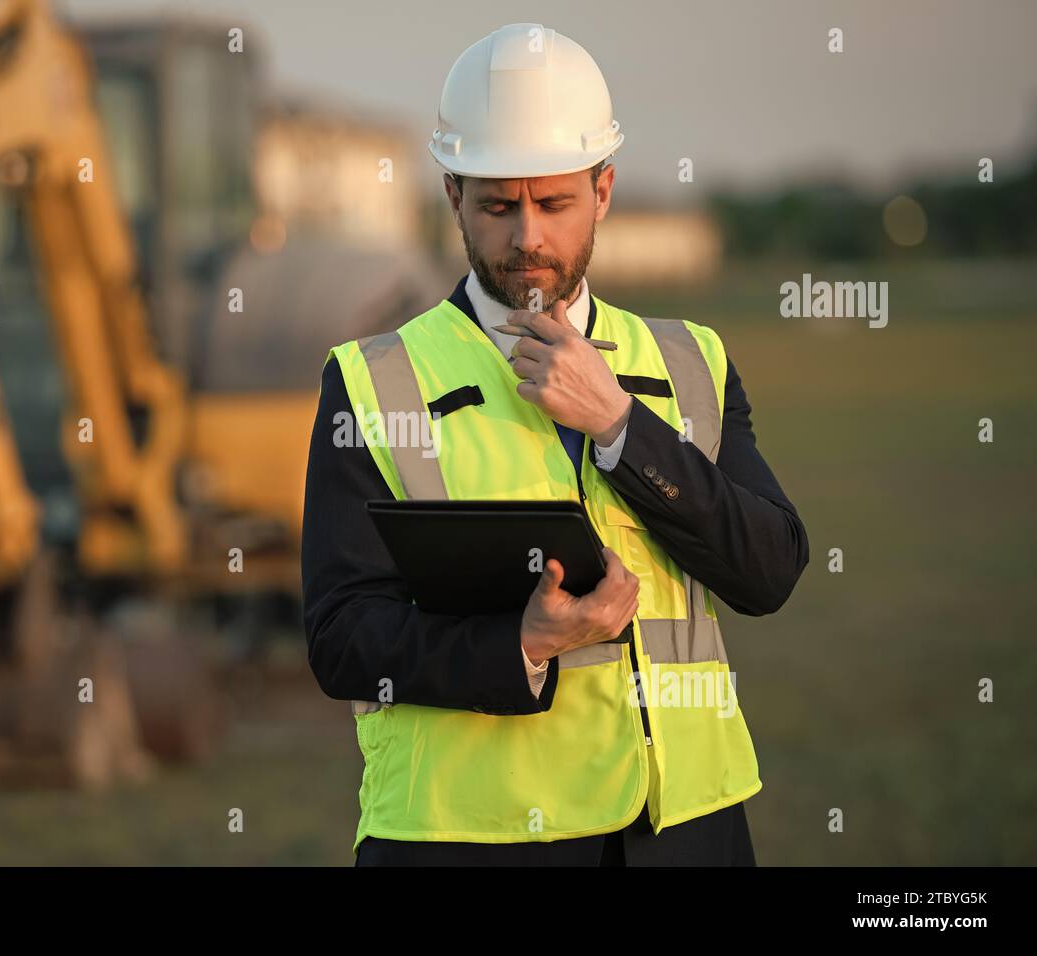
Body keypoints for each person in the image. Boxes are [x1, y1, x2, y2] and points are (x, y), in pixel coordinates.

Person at [301, 22, 809, 866]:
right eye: (498, 205)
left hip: (687, 829)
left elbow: (770, 571)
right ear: (453, 195)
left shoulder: (691, 363)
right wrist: (522, 645)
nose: (527, 236)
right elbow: (341, 637)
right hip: (471, 839)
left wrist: (620, 427)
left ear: (604, 190)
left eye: (555, 202)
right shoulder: (371, 381)